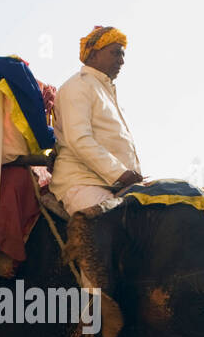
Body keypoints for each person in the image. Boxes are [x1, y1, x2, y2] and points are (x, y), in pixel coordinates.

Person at [49, 26, 143, 216]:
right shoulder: (78, 86)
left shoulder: (105, 90)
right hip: (82, 182)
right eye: (115, 53)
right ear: (93, 56)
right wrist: (120, 173)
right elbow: (79, 139)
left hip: (116, 184)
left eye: (123, 55)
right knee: (113, 226)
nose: (122, 61)